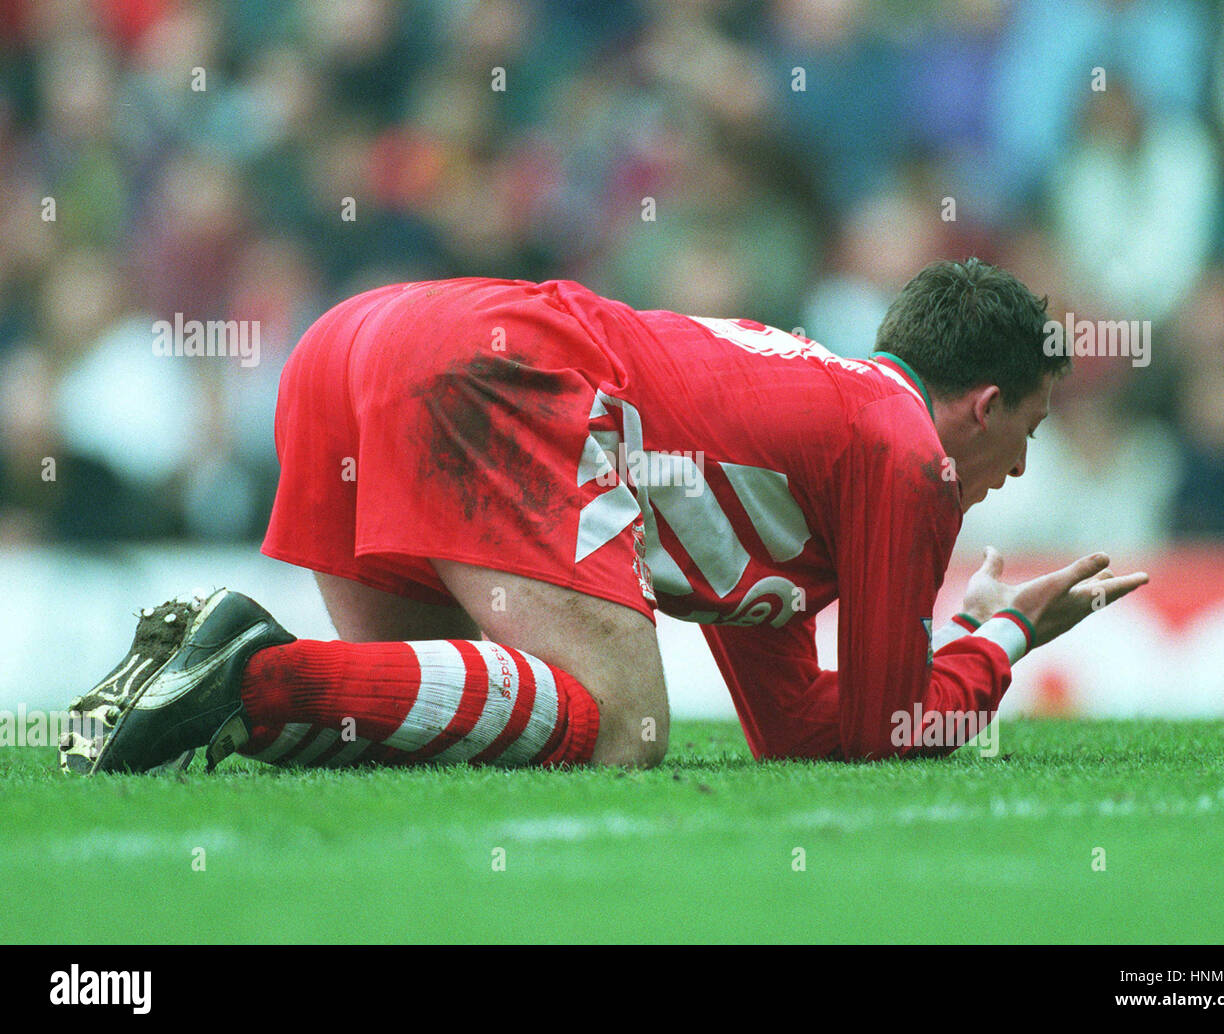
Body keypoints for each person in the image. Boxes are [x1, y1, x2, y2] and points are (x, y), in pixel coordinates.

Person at [60, 258, 1147, 775]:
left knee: (412, 735)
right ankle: (251, 666)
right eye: (1028, 433)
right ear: (984, 404)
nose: (1014, 469)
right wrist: (1003, 637)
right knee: (624, 730)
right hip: (494, 366)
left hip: (363, 338)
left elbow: (805, 733)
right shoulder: (906, 452)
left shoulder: (822, 438)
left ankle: (213, 694)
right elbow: (881, 733)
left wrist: (978, 638)